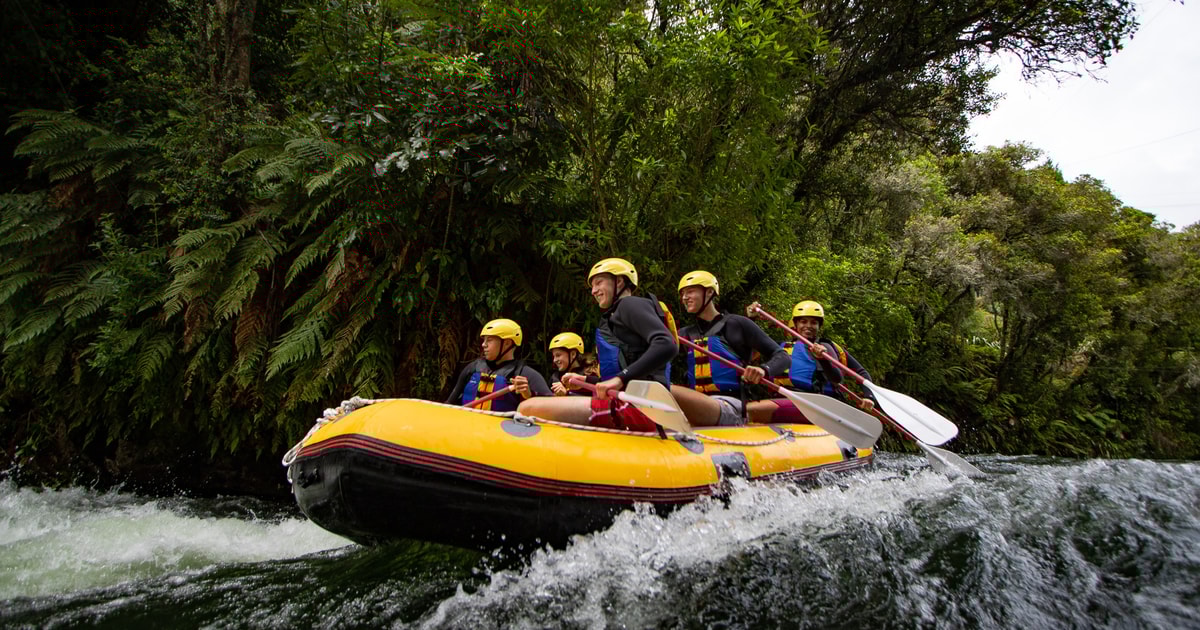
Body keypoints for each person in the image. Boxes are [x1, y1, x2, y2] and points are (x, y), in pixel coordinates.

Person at [517, 258, 678, 431]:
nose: (593, 291)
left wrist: (619, 379)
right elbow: (627, 371)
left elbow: (666, 344)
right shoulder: (616, 316)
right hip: (632, 403)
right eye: (592, 286)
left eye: (599, 283)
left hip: (640, 408)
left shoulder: (629, 304)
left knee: (528, 408)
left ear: (619, 281)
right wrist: (587, 380)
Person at [672, 271, 791, 426]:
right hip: (696, 404)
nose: (684, 298)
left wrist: (764, 370)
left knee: (669, 390)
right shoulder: (684, 334)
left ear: (709, 292)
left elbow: (783, 356)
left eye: (690, 292)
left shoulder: (737, 324)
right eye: (682, 294)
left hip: (730, 404)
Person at [746, 300, 875, 422]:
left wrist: (868, 396)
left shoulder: (827, 347)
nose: (808, 326)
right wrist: (751, 319)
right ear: (795, 325)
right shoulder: (782, 347)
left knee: (747, 411)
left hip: (816, 403)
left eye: (814, 323)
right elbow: (748, 352)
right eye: (803, 322)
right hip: (786, 398)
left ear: (819, 326)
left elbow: (844, 377)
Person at [446, 318, 552, 411]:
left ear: (507, 343)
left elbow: (550, 409)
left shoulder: (526, 374)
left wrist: (529, 396)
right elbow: (450, 402)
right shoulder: (473, 368)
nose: (483, 345)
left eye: (489, 340)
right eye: (484, 340)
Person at [546, 332, 595, 396]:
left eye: (558, 355)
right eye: (554, 356)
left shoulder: (589, 376)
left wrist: (566, 394)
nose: (554, 360)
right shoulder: (555, 377)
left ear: (573, 354)